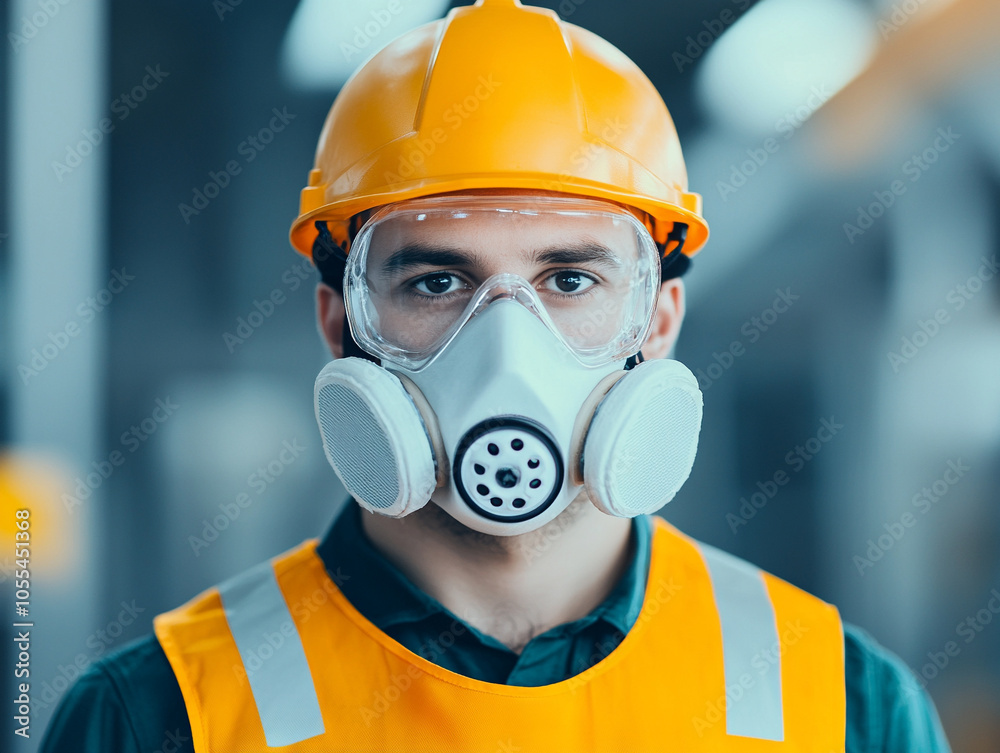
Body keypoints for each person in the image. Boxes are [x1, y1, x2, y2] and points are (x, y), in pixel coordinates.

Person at [41, 0, 952, 750]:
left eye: (569, 279)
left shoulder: (844, 707)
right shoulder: (160, 714)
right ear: (340, 324)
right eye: (439, 280)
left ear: (659, 322)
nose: (511, 345)